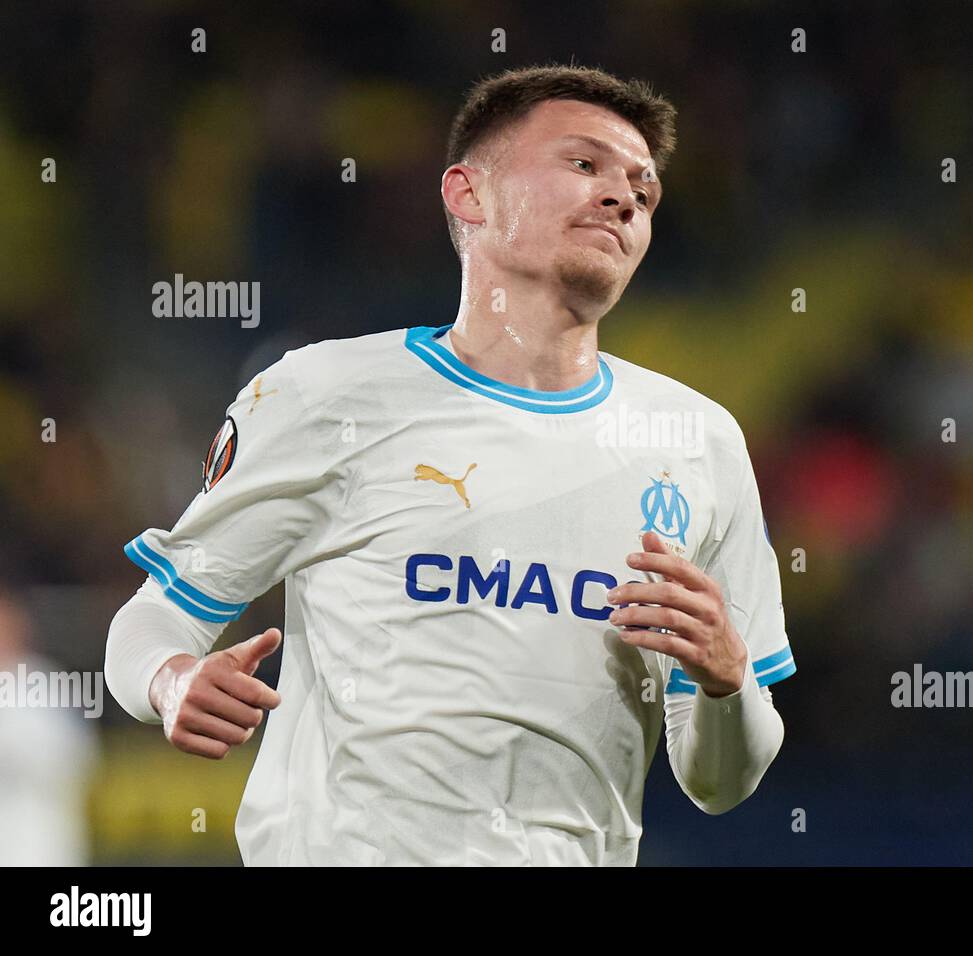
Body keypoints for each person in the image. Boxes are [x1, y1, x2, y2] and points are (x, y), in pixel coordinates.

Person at [105, 63, 795, 865]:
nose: (623, 196)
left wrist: (726, 679)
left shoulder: (696, 439)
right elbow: (154, 618)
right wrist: (172, 680)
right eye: (583, 165)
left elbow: (721, 782)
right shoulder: (326, 395)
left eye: (644, 188)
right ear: (469, 194)